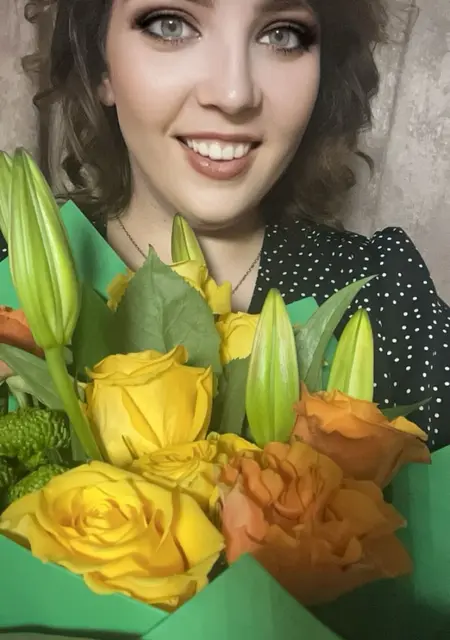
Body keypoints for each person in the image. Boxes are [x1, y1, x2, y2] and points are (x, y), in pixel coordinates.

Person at [1, 0, 449, 450]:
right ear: (101, 66)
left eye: (282, 34)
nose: (234, 95)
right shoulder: (10, 266)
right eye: (170, 25)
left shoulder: (388, 295)